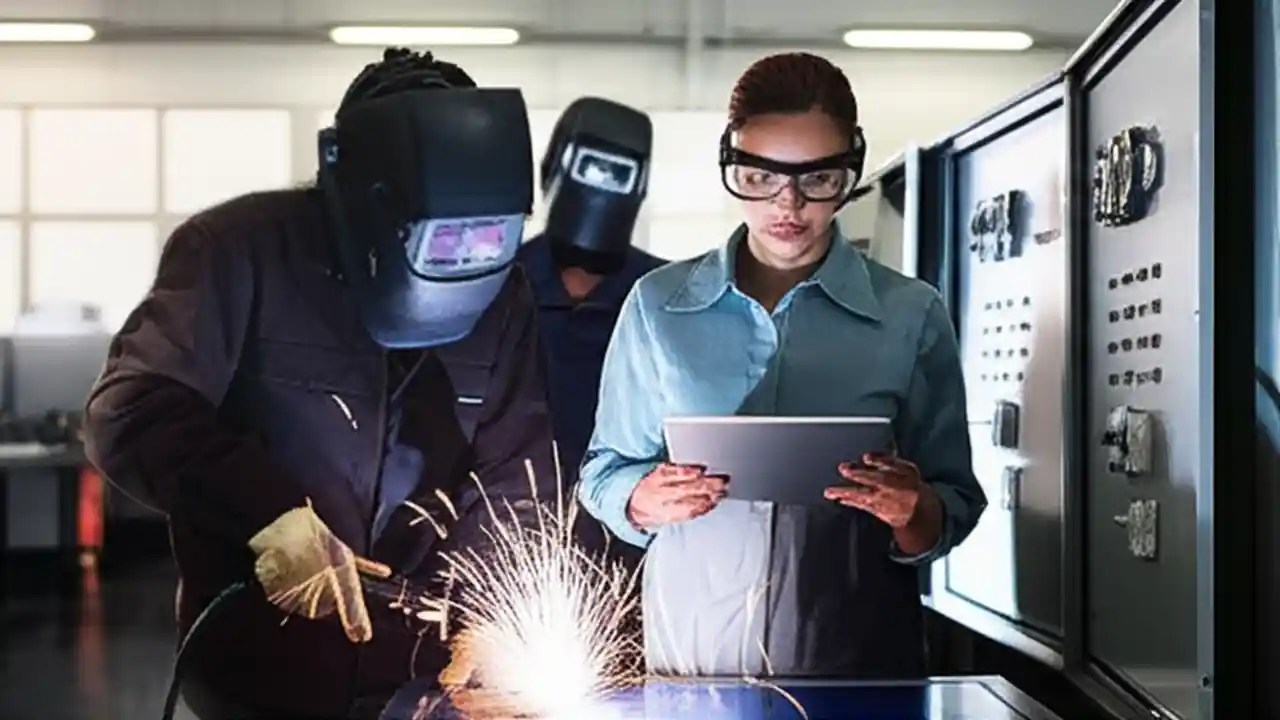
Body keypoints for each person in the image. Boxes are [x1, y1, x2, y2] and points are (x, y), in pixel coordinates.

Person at [82, 48, 556, 719]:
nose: (463, 259)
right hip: (261, 671)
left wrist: (494, 613)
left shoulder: (503, 293)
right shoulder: (238, 250)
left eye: (483, 241)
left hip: (425, 679)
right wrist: (268, 514)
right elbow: (131, 410)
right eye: (437, 240)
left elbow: (517, 473)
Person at [577, 52, 988, 678]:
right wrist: (640, 499)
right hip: (694, 665)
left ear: (850, 169)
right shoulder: (659, 306)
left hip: (858, 666)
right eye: (759, 177)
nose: (787, 204)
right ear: (731, 165)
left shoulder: (911, 314)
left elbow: (954, 502)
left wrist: (914, 510)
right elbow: (603, 473)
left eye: (818, 180)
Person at [516, 97, 664, 563]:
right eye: (592, 168)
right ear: (551, 170)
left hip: (630, 545)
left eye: (618, 174)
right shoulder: (494, 287)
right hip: (505, 533)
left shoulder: (667, 298)